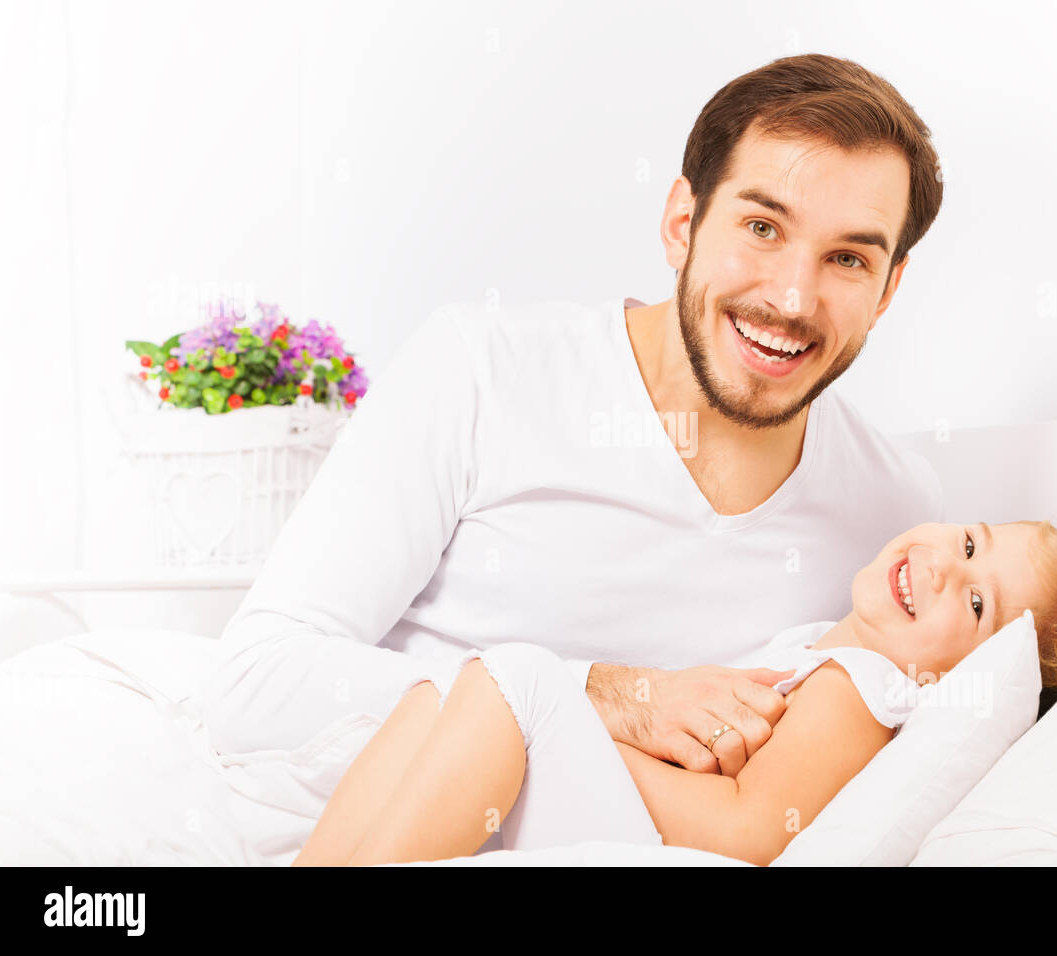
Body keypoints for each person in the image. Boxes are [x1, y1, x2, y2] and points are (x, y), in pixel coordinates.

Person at [195, 52, 952, 847]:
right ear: (682, 224)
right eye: (762, 228)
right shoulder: (481, 372)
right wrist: (601, 694)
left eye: (848, 259)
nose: (793, 298)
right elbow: (250, 684)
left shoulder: (899, 529)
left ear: (888, 290)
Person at [291, 520, 1057, 866]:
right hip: (640, 803)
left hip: (657, 832)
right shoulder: (826, 647)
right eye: (969, 542)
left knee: (515, 682)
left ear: (959, 678)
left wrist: (579, 728)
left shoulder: (867, 686)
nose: (943, 568)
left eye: (976, 602)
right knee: (443, 691)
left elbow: (752, 832)